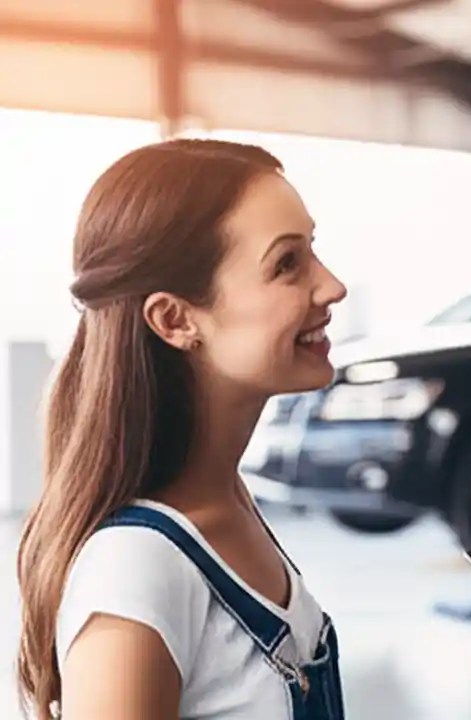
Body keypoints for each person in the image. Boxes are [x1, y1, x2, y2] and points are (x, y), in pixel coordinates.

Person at [16, 139, 349, 720]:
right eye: (287, 264)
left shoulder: (230, 504)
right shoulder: (133, 568)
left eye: (312, 251)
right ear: (175, 319)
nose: (331, 286)